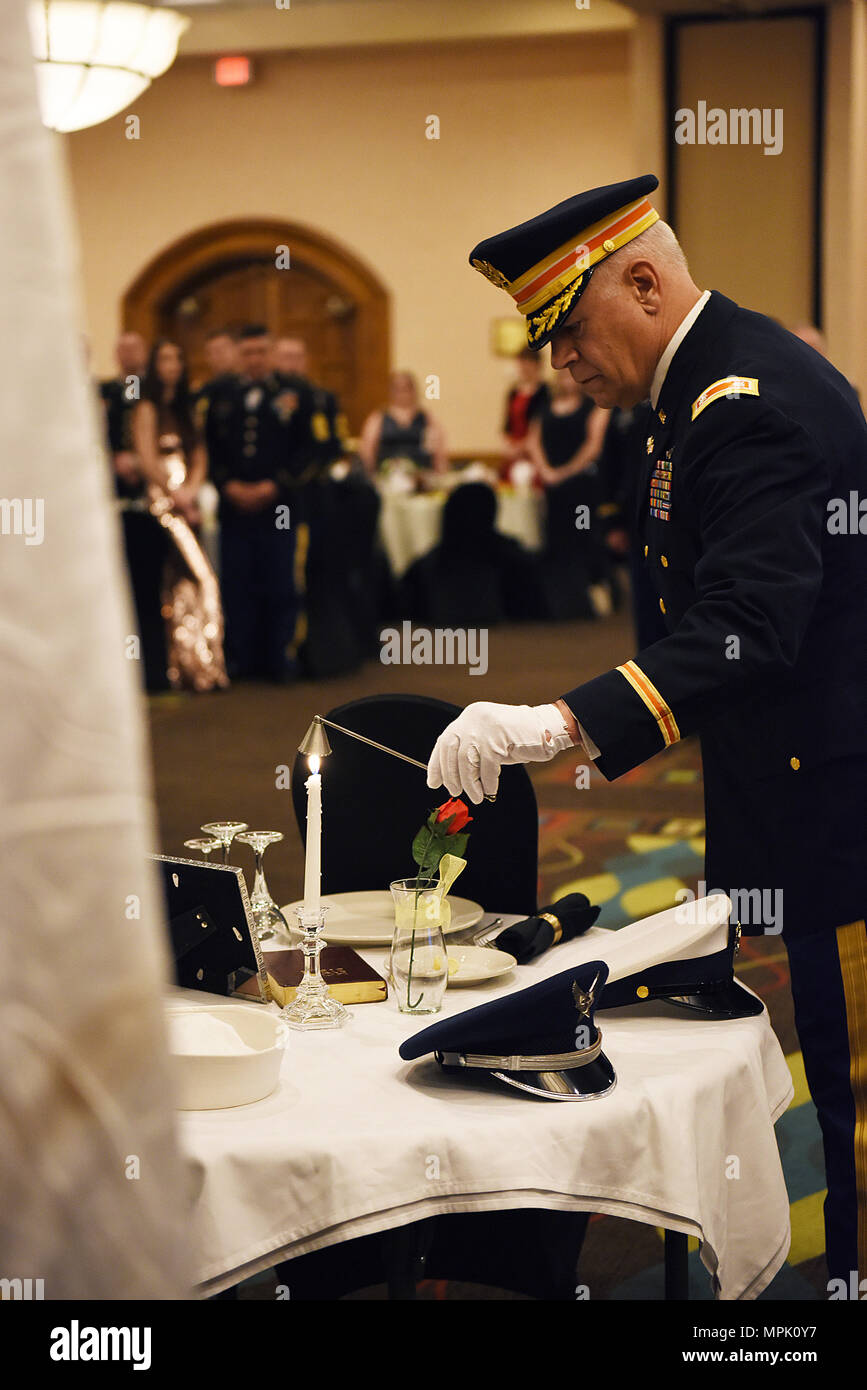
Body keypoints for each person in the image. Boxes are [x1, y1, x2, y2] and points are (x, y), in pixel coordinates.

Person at [428, 174, 867, 1287]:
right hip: (795, 782)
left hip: (842, 804)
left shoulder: (749, 400)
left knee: (854, 1091)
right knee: (831, 1068)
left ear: (644, 279)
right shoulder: (695, 393)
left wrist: (557, 720)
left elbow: (745, 628)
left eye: (569, 332)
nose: (560, 365)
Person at [205, 323, 317, 682]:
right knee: (237, 582)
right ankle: (241, 657)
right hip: (234, 507)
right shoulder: (222, 395)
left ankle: (279, 657)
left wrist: (276, 485)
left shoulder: (296, 392)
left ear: (270, 354)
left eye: (260, 352)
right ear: (239, 355)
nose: (254, 359)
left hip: (279, 507)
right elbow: (208, 447)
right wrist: (228, 485)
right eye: (247, 352)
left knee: (280, 582)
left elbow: (310, 450)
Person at [131, 339, 229, 692]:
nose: (171, 365)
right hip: (162, 500)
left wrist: (192, 488)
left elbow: (199, 452)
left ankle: (196, 667)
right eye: (165, 358)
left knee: (185, 582)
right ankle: (188, 665)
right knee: (202, 577)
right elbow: (145, 456)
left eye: (177, 358)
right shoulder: (146, 407)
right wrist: (174, 493)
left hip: (188, 495)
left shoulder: (189, 406)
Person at [523, 372, 611, 619]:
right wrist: (546, 472)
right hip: (553, 486)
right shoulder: (545, 407)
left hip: (581, 485)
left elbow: (593, 446)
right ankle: (560, 598)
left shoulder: (594, 406)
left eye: (571, 377)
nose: (567, 382)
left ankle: (593, 591)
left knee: (583, 536)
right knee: (556, 538)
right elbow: (533, 442)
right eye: (561, 378)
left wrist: (565, 472)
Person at [358, 371, 448, 477]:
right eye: (398, 389)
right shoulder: (378, 418)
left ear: (414, 390)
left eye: (407, 388)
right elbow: (368, 450)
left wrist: (441, 475)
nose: (403, 393)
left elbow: (438, 452)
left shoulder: (427, 418)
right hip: (387, 475)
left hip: (420, 476)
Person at [501, 346, 549, 473]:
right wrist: (509, 447)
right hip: (514, 451)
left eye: (529, 362)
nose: (525, 367)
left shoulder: (545, 392)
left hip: (536, 452)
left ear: (538, 365)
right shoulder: (513, 392)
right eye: (522, 362)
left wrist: (523, 447)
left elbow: (542, 426)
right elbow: (507, 425)